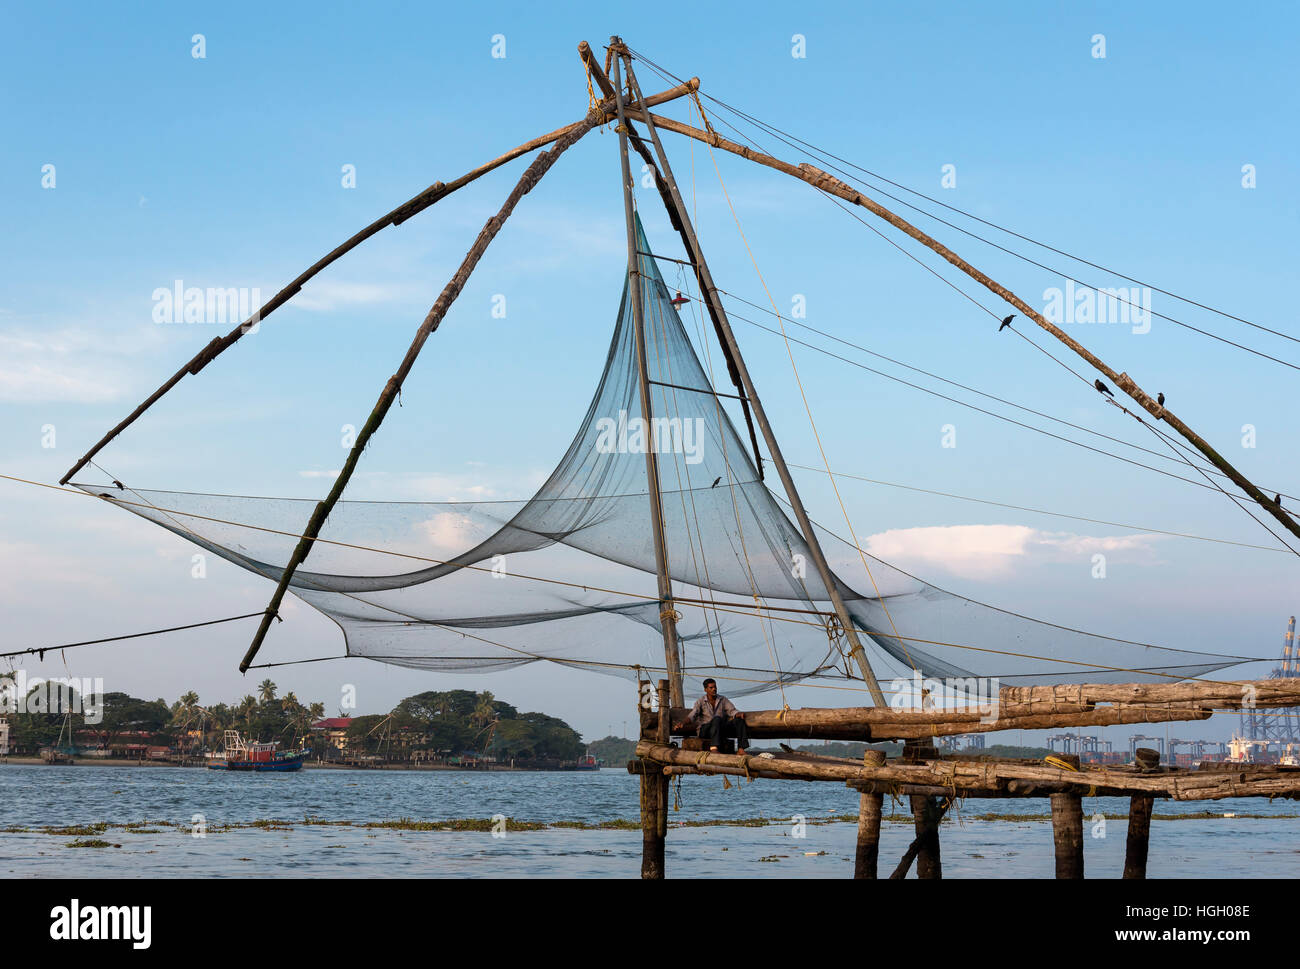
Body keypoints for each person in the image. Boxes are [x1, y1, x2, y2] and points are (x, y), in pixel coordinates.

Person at [681, 678, 749, 755]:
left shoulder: (722, 699)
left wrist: (737, 714)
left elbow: (731, 710)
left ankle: (741, 749)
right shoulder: (700, 701)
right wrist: (683, 723)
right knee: (716, 719)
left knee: (739, 720)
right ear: (705, 689)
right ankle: (714, 748)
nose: (714, 689)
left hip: (719, 729)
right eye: (711, 688)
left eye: (715, 687)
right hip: (705, 731)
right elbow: (693, 715)